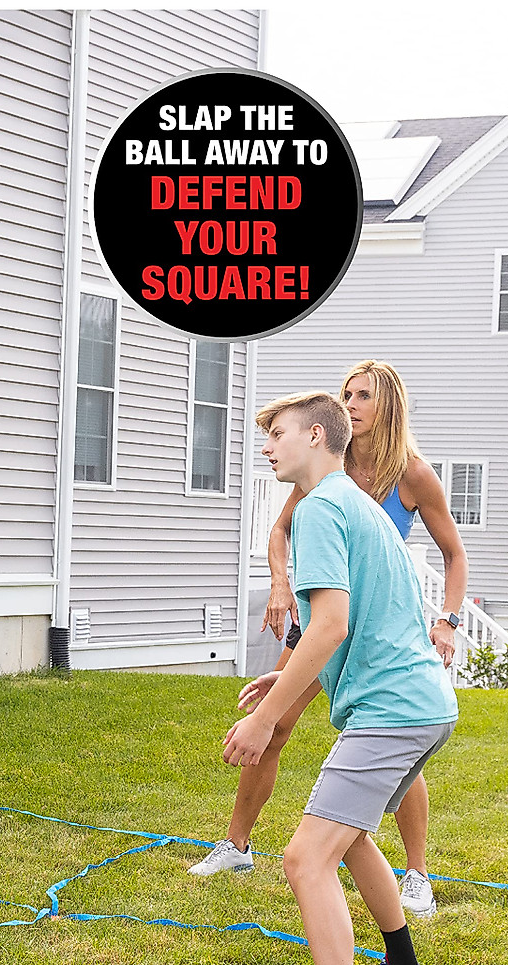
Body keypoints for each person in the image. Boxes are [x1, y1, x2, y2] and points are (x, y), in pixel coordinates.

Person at [224, 390, 457, 965]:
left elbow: (330, 625)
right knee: (347, 835)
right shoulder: (357, 503)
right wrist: (288, 677)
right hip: (423, 704)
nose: (268, 445)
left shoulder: (323, 506)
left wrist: (263, 722)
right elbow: (371, 621)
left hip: (393, 710)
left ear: (319, 435)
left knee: (304, 859)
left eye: (279, 434)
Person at [191, 360, 467, 919]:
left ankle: (416, 873)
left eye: (363, 396)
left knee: (387, 737)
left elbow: (454, 555)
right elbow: (282, 532)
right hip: (328, 610)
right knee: (282, 721)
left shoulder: (408, 474)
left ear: (388, 405)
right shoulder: (321, 477)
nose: (352, 404)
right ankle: (237, 846)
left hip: (371, 628)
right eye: (347, 395)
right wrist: (279, 584)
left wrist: (449, 620)